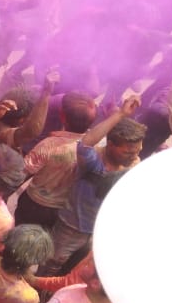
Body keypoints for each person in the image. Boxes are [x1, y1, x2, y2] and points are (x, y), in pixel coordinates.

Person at [50, 97, 144, 273]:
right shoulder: (94, 163)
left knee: (74, 270)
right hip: (72, 228)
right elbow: (85, 144)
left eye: (138, 150)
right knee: (51, 265)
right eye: (128, 151)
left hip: (96, 233)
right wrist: (120, 114)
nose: (134, 155)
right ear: (111, 145)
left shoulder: (133, 164)